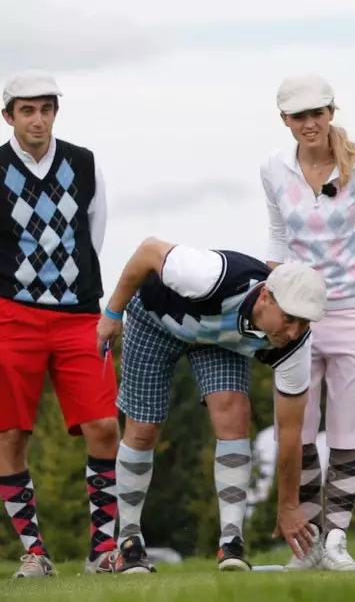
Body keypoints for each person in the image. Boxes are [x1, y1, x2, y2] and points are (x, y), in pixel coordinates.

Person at [96, 239, 324, 573]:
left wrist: (288, 505)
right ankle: (130, 543)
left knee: (234, 415)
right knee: (143, 430)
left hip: (219, 339)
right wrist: (113, 313)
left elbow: (290, 429)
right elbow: (147, 251)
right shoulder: (207, 275)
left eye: (303, 323)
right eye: (289, 319)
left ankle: (231, 544)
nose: (293, 332)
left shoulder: (294, 345)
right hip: (156, 318)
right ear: (265, 297)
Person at [260, 74, 355, 572]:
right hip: (299, 320)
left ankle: (337, 540)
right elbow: (278, 240)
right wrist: (273, 311)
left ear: (331, 112)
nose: (309, 123)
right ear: (285, 121)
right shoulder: (274, 170)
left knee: (348, 434)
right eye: (299, 116)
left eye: (317, 113)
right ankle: (312, 545)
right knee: (297, 434)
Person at [0, 71, 122, 578]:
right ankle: (34, 551)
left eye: (46, 108)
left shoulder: (83, 162)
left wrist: (86, 299)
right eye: (27, 110)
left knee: (105, 426)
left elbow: (94, 233)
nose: (38, 119)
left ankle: (104, 549)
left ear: (55, 112)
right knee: (9, 433)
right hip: (12, 314)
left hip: (79, 315)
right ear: (9, 116)